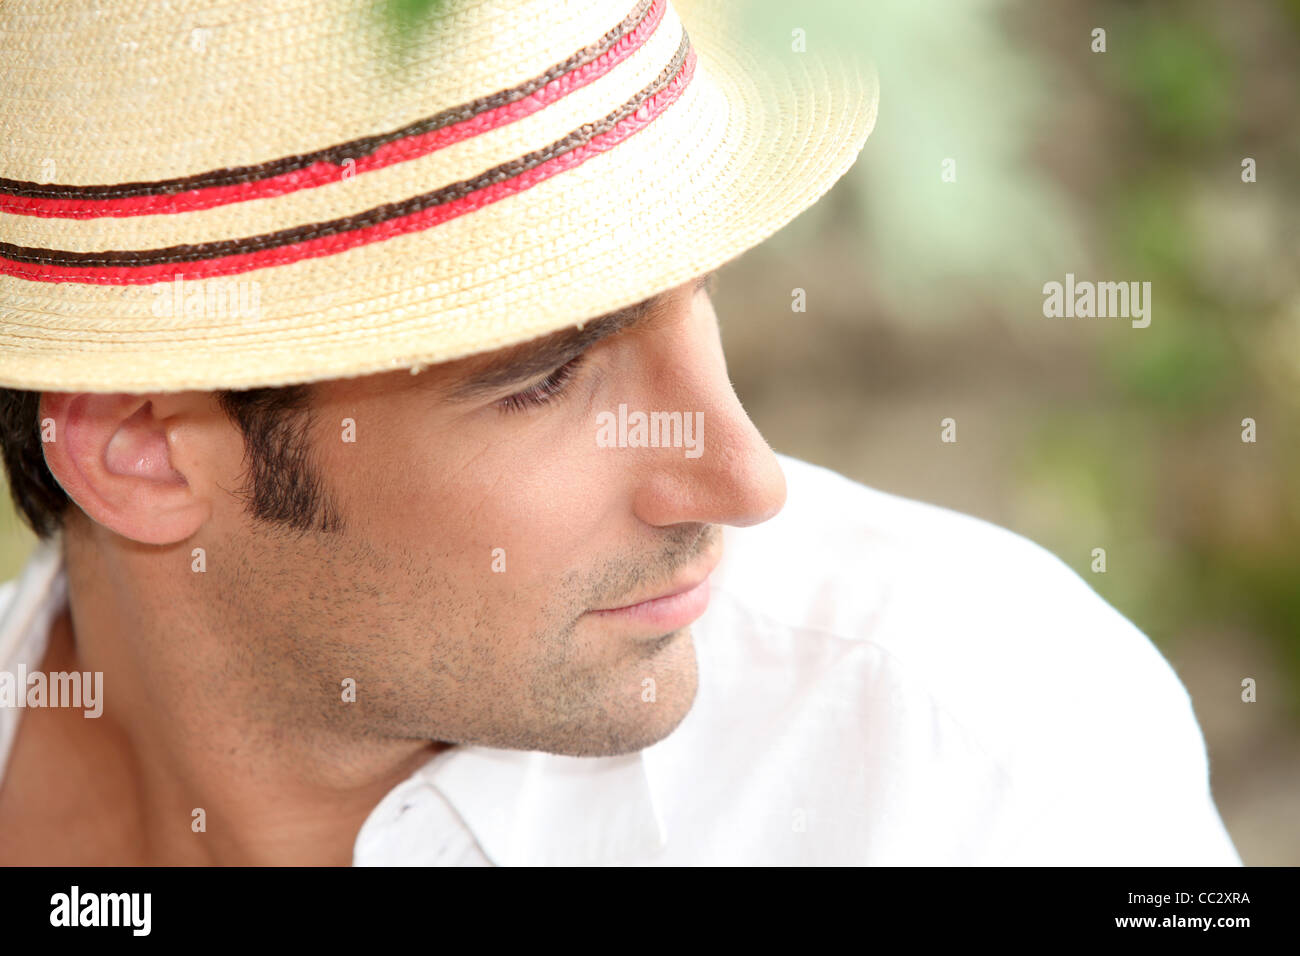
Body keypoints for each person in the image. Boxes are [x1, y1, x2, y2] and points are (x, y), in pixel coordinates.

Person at [0, 0, 1241, 865]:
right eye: (545, 379)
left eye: (702, 293)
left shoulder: (973, 755)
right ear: (138, 447)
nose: (744, 479)